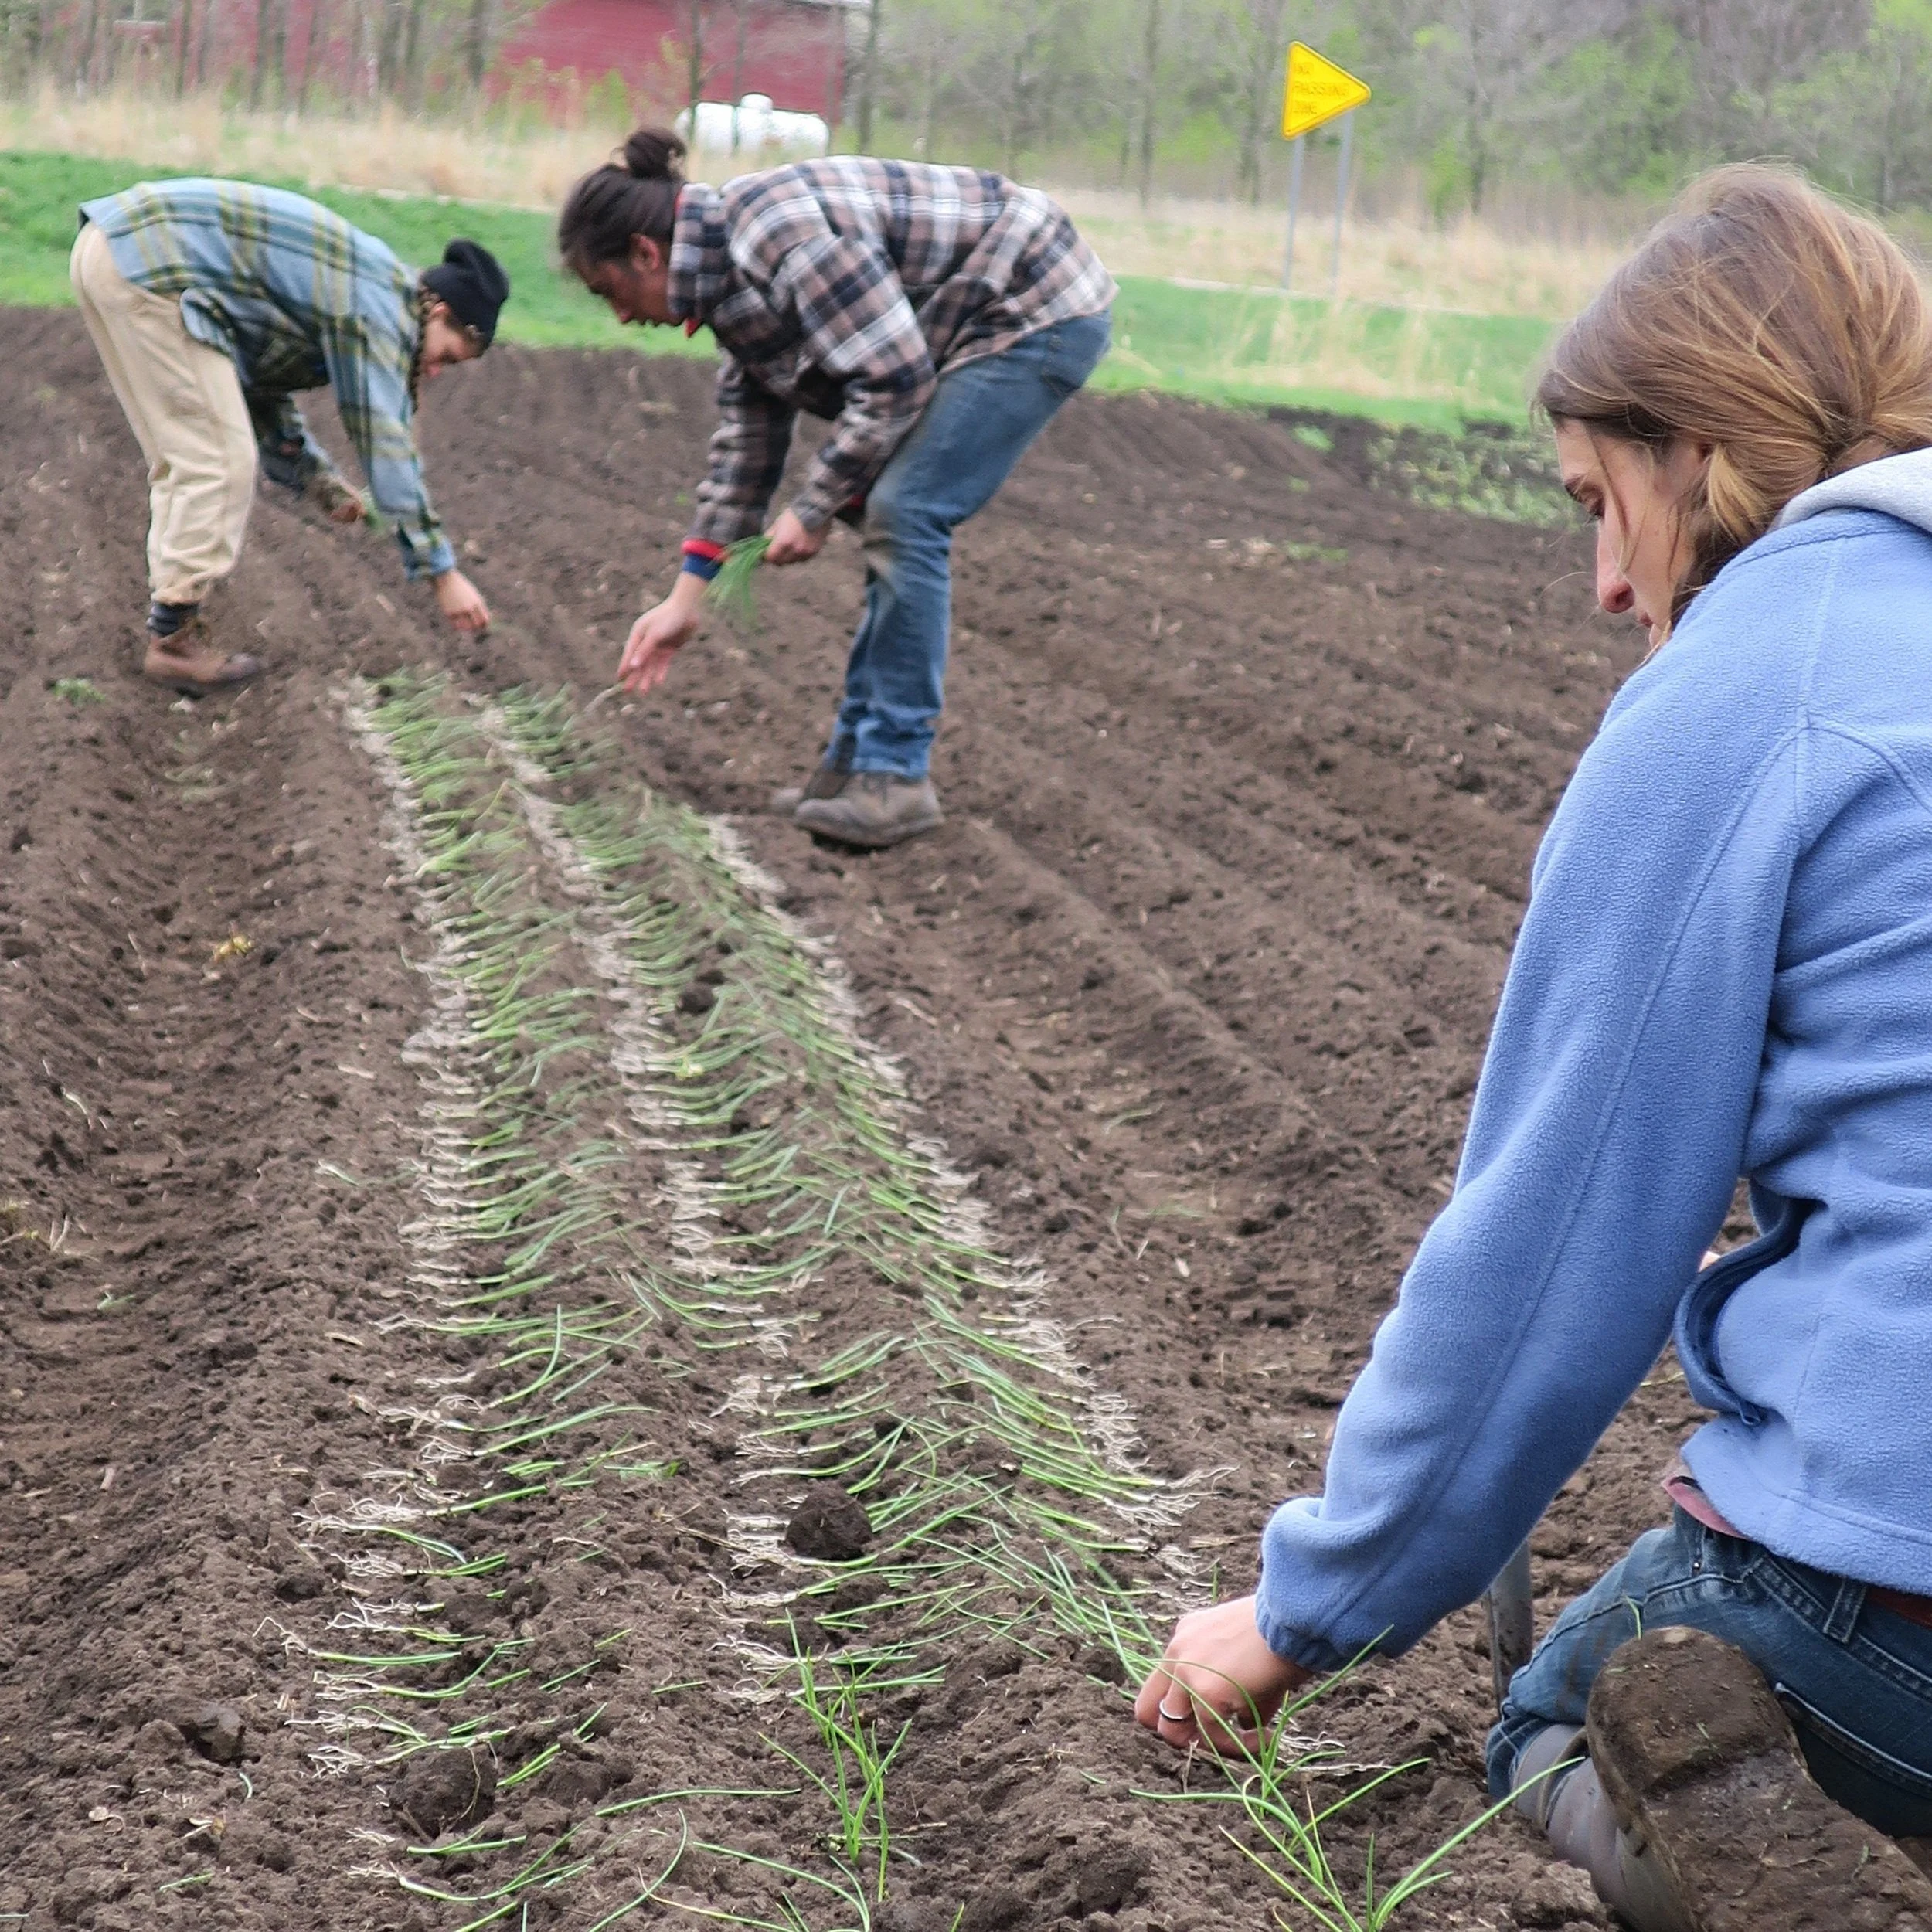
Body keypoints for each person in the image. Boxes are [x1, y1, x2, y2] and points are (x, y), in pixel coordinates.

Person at [1134, 166, 1932, 1928]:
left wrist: (1301, 1614)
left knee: (1584, 1714)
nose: (1602, 580)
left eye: (1596, 502)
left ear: (1694, 451)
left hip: (1908, 1617)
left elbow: (1553, 1254)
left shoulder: (1756, 686)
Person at [558, 130, 1114, 849]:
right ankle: (856, 762)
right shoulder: (727, 282)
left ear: (646, 252)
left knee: (905, 512)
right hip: (962, 323)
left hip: (1034, 305)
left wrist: (814, 506)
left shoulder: (785, 240)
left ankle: (895, 776)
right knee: (887, 511)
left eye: (610, 291)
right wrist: (683, 601)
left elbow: (893, 380)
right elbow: (746, 451)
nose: (621, 316)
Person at [71, 178, 503, 697]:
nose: (434, 371)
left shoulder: (372, 289)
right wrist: (443, 574)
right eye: (447, 357)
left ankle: (172, 629)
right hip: (149, 264)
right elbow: (384, 443)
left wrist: (313, 477)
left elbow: (249, 377)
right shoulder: (380, 310)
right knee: (217, 460)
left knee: (190, 455)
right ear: (439, 313)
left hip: (113, 247)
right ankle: (173, 643)